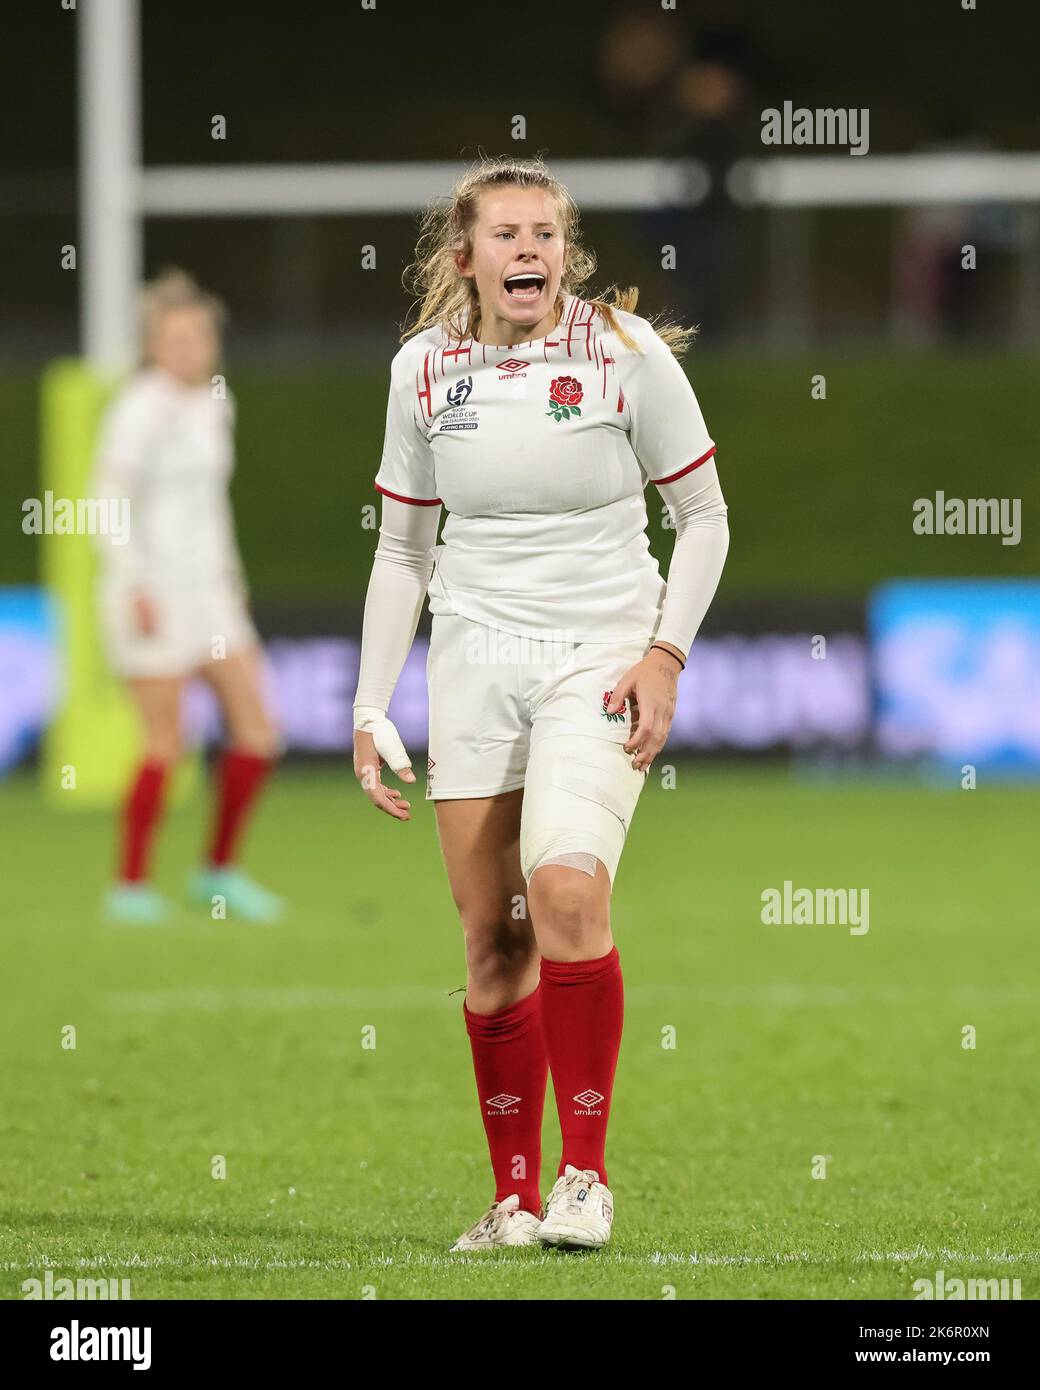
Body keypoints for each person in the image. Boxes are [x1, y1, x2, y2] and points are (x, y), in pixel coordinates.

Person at [352, 156, 729, 1251]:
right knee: (492, 942)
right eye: (506, 234)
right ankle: (511, 1197)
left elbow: (701, 515)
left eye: (545, 234)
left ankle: (583, 1178)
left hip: (599, 653)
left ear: (565, 251)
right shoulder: (421, 370)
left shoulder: (623, 352)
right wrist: (371, 702)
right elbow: (401, 549)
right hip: (472, 659)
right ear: (463, 257)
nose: (529, 250)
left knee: (563, 890)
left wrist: (663, 654)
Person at [92, 269, 283, 926]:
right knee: (164, 745)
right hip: (152, 594)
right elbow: (106, 502)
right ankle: (131, 885)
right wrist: (134, 582)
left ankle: (218, 871)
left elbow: (209, 508)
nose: (189, 348)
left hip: (211, 594)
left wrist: (232, 582)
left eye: (198, 335)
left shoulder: (215, 403)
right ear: (153, 344)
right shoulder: (138, 407)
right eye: (174, 338)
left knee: (258, 730)